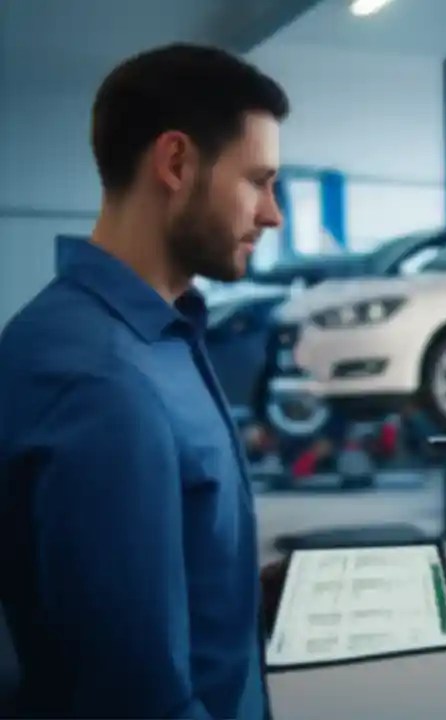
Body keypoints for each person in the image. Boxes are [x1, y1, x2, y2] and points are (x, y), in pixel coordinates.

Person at [0, 44, 290, 718]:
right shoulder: (101, 379)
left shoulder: (160, 334)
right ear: (176, 163)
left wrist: (241, 598)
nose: (272, 214)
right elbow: (137, 698)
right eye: (258, 181)